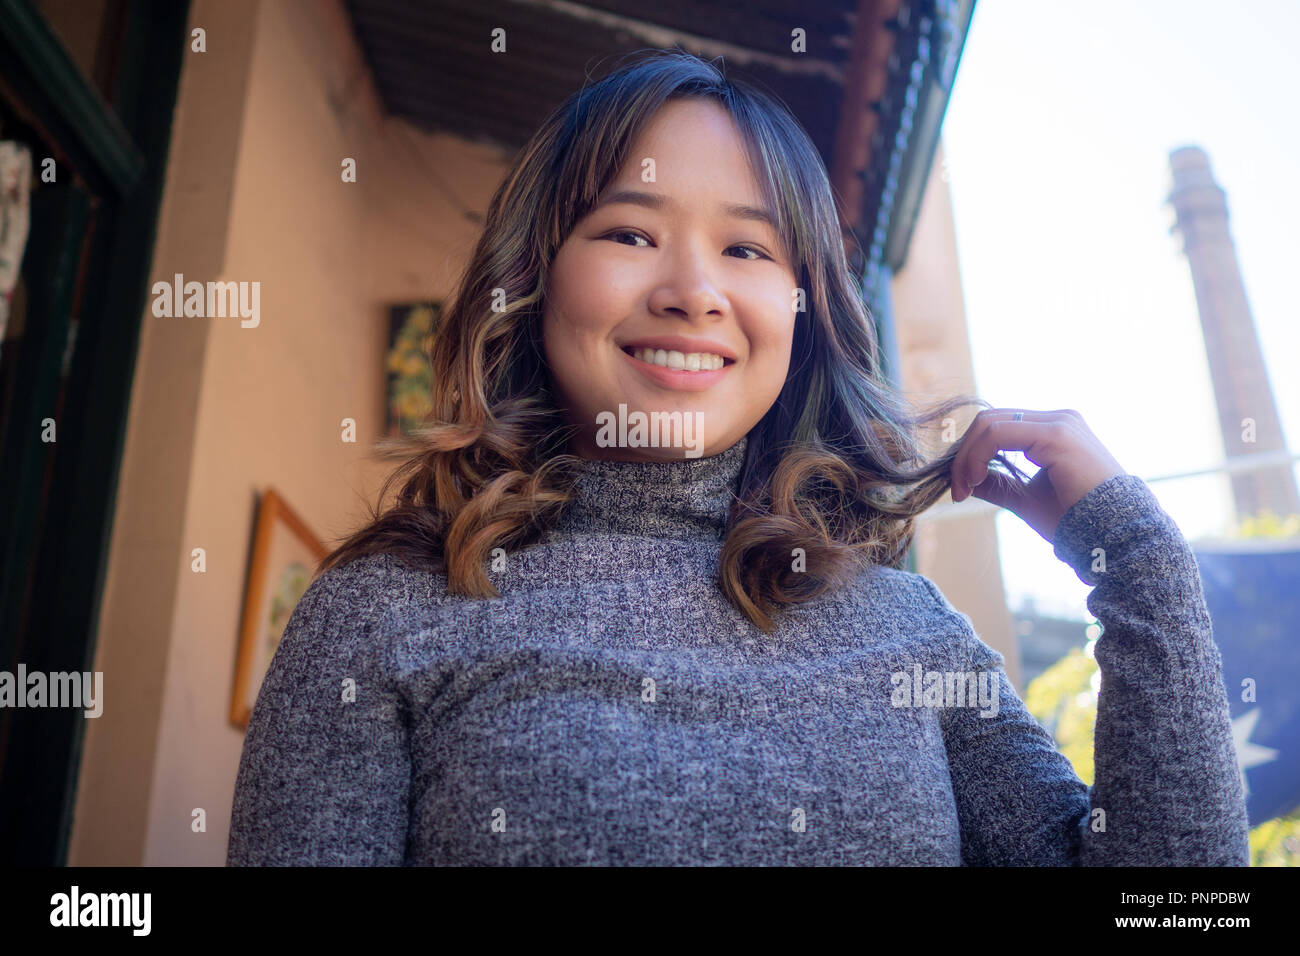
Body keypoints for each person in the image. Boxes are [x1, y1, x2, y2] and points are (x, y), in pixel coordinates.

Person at [226, 50, 1249, 866]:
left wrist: (1136, 554)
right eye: (629, 232)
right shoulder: (381, 612)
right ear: (535, 278)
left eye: (749, 249)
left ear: (803, 315)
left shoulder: (908, 631)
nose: (691, 290)